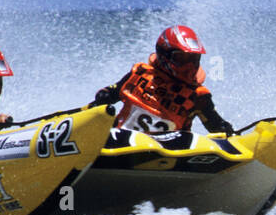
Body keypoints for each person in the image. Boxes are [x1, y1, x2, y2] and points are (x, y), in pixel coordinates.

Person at [92, 25, 234, 135]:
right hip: (120, 143)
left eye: (193, 59)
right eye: (182, 58)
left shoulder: (197, 95)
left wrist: (227, 130)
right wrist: (104, 95)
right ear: (164, 54)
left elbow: (217, 128)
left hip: (167, 154)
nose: (189, 66)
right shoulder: (139, 74)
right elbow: (110, 93)